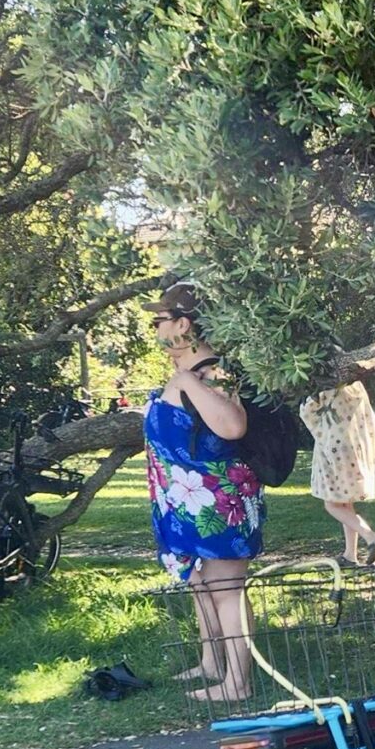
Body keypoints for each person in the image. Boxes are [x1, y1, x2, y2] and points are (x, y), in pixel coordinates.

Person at [146, 289, 263, 701]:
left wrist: (185, 383)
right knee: (201, 582)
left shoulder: (212, 373)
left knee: (227, 589)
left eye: (158, 321)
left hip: (218, 502)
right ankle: (212, 662)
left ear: (183, 323)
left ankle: (237, 683)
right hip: (189, 504)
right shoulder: (189, 375)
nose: (155, 331)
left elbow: (233, 426)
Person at [300, 377, 375, 564]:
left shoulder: (323, 394)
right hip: (354, 445)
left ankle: (370, 536)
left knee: (332, 504)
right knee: (345, 502)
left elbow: (308, 414)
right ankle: (350, 554)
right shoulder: (355, 388)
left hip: (333, 448)